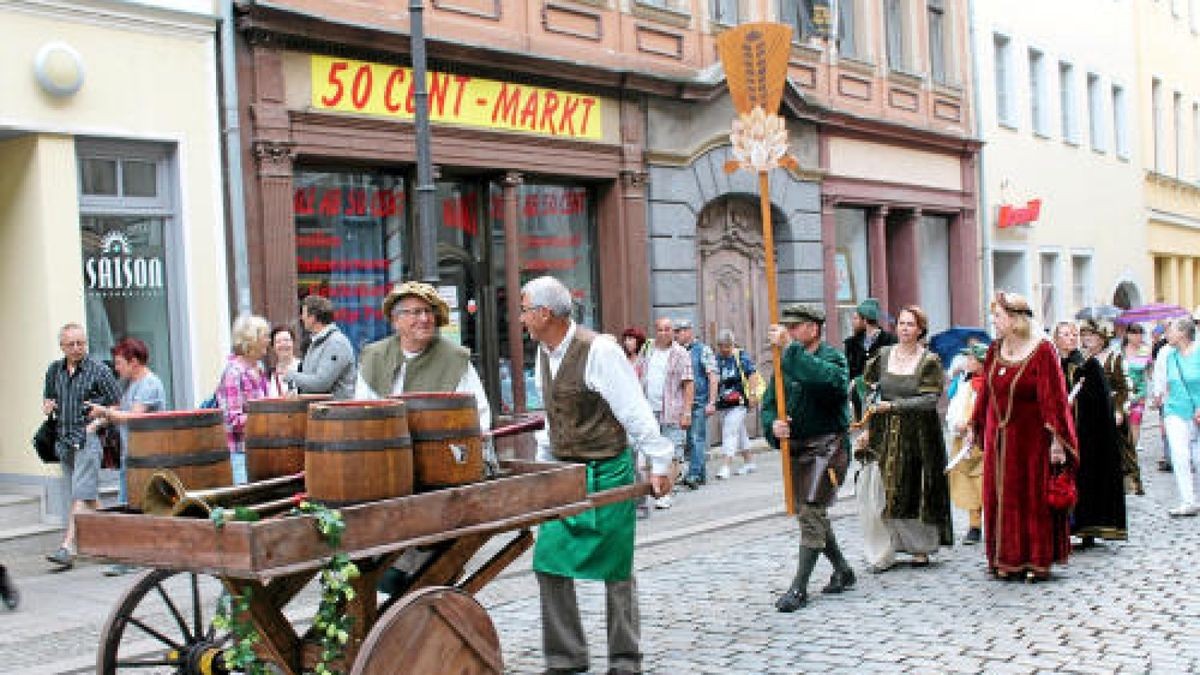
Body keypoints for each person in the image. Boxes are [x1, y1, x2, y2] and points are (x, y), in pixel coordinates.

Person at [519, 275, 674, 675]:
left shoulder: (599, 350)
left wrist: (660, 461)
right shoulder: (542, 351)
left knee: (616, 571)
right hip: (566, 472)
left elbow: (634, 410)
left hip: (609, 469)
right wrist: (542, 467)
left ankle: (626, 661)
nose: (520, 319)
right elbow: (553, 419)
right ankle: (566, 658)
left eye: (524, 310)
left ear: (544, 313)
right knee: (548, 562)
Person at [967, 292, 1077, 582]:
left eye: (998, 317)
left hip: (1032, 441)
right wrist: (975, 425)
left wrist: (1057, 441)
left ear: (1015, 320)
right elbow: (986, 394)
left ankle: (1035, 560)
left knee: (1029, 499)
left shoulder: (1042, 351)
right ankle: (1004, 558)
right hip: (999, 438)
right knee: (1000, 497)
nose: (994, 322)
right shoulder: (994, 350)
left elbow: (1055, 398)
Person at [761, 304, 855, 612]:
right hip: (798, 449)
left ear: (813, 329)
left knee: (811, 511)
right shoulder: (783, 361)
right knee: (810, 511)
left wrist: (790, 351)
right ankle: (842, 570)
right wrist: (773, 425)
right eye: (786, 328)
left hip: (828, 446)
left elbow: (829, 384)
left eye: (795, 327)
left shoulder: (832, 358)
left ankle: (799, 588)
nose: (788, 333)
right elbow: (770, 403)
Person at [858, 305, 953, 569]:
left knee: (915, 487)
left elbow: (930, 399)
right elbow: (868, 389)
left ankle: (919, 546)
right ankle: (886, 546)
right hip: (885, 432)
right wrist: (866, 426)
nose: (904, 329)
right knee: (885, 487)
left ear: (920, 330)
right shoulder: (884, 355)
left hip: (919, 435)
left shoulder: (929, 360)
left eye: (910, 324)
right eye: (901, 323)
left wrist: (895, 406)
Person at [355, 281, 490, 430]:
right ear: (396, 320)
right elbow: (361, 413)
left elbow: (479, 415)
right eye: (416, 312)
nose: (425, 319)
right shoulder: (375, 356)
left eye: (428, 311)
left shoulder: (455, 358)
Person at [42, 322, 121, 570]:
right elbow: (48, 398)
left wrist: (96, 425)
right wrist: (47, 406)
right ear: (62, 347)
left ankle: (68, 547)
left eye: (81, 343)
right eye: (71, 344)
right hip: (64, 441)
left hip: (89, 439)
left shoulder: (99, 371)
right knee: (86, 496)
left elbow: (117, 406)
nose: (77, 348)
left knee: (79, 492)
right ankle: (118, 540)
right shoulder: (54, 370)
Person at [94, 337, 166, 575]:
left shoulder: (149, 384)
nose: (116, 368)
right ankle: (134, 555)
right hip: (133, 456)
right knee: (130, 503)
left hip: (145, 457)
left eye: (119, 363)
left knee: (133, 504)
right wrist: (100, 419)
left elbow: (134, 416)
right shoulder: (131, 383)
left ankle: (132, 557)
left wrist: (106, 412)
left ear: (134, 362)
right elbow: (123, 412)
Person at [1068, 319, 1128, 546]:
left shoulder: (1098, 362)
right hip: (1075, 426)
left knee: (1092, 475)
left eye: (1089, 335)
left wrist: (1119, 409)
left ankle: (1090, 527)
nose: (1084, 339)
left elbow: (1119, 389)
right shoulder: (1072, 361)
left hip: (1095, 426)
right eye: (1082, 335)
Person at [638, 318, 692, 511]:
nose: (663, 333)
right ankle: (652, 490)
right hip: (648, 410)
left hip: (672, 411)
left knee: (673, 453)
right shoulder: (648, 349)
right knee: (649, 454)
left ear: (673, 332)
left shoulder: (680, 353)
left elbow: (688, 383)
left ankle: (667, 493)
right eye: (659, 329)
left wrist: (686, 411)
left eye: (667, 329)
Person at [1151, 316, 1200, 516]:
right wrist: (1160, 397)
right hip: (1174, 411)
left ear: (1182, 332)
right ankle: (1188, 501)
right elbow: (1164, 380)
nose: (1166, 334)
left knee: (1198, 458)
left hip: (1197, 411)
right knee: (1180, 456)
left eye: (1170, 330)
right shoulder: (1167, 354)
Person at [218, 315, 271, 485]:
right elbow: (232, 420)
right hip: (240, 454)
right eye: (265, 336)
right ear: (252, 339)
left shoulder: (259, 369)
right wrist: (267, 419)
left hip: (259, 452)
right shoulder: (234, 373)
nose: (269, 341)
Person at [945, 343, 987, 545]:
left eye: (971, 359)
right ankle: (974, 524)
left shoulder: (986, 385)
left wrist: (973, 426)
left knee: (984, 481)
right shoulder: (964, 384)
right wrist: (956, 424)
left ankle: (992, 520)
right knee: (968, 482)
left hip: (981, 440)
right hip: (962, 440)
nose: (967, 362)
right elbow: (954, 407)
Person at [282, 295, 356, 400]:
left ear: (313, 318)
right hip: (321, 413)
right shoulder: (317, 342)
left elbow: (321, 383)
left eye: (303, 313)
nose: (301, 318)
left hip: (335, 414)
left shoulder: (336, 343)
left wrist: (291, 375)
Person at [675, 319, 717, 489]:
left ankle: (693, 474)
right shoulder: (676, 351)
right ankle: (700, 475)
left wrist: (712, 402)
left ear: (688, 331)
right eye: (676, 332)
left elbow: (712, 376)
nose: (676, 335)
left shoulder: (703, 350)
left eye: (679, 331)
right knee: (692, 440)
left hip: (699, 401)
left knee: (696, 438)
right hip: (682, 402)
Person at [713, 329, 757, 479]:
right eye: (722, 346)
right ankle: (749, 462)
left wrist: (752, 395)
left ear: (732, 344)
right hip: (723, 403)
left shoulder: (740, 356)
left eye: (727, 346)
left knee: (729, 431)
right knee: (739, 432)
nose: (725, 349)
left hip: (739, 402)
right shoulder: (716, 358)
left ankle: (726, 466)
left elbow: (752, 375)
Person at [844, 298, 897, 421]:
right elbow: (848, 371)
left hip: (882, 399)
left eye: (855, 318)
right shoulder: (851, 343)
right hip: (857, 402)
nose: (852, 322)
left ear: (865, 320)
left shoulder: (890, 341)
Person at [1121, 323, 1150, 494]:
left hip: (1139, 392)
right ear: (1128, 335)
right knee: (1123, 423)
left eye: (1140, 333)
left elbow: (1146, 370)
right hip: (1123, 391)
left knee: (1135, 423)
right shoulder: (1121, 350)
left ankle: (1132, 452)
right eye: (1135, 334)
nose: (1138, 337)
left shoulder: (1145, 350)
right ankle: (1125, 451)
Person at [265, 324, 299, 398]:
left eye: (286, 340)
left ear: (293, 343)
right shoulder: (269, 375)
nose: (283, 344)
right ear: (273, 347)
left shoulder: (304, 368)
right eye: (278, 341)